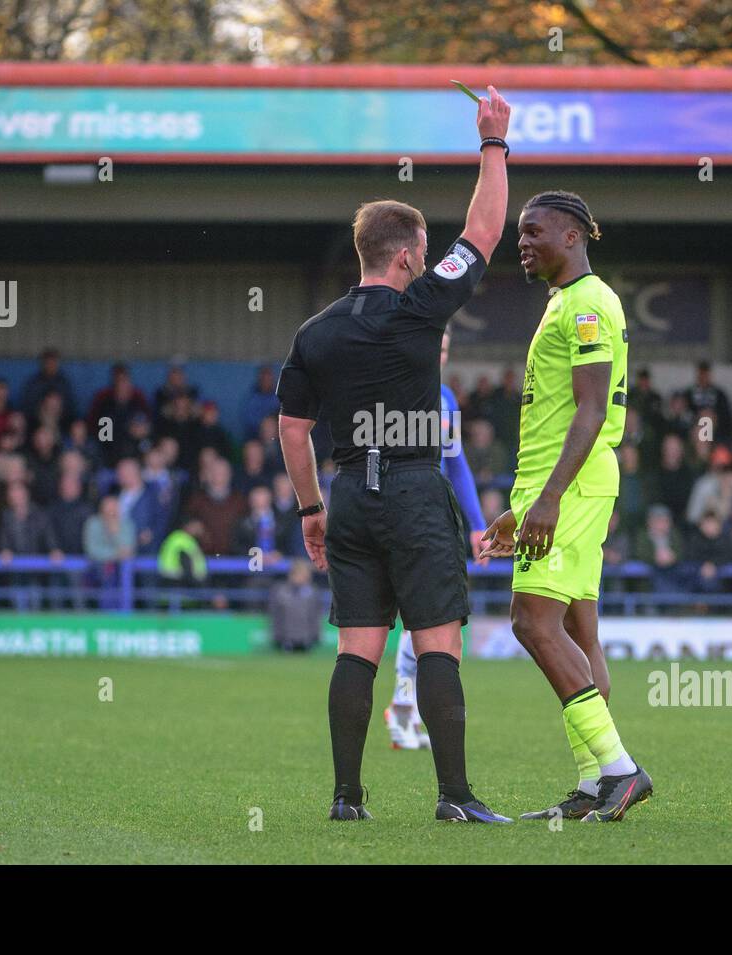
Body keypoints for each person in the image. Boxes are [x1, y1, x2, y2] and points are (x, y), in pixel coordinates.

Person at [276, 85, 511, 824]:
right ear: (409, 256)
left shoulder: (314, 332)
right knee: (438, 641)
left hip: (349, 494)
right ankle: (455, 797)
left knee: (358, 650)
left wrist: (311, 509)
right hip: (413, 488)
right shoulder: (420, 307)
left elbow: (291, 429)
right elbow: (484, 229)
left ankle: (348, 800)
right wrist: (493, 140)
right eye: (422, 251)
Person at [479, 190, 650, 823]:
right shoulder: (567, 302)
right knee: (577, 627)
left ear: (572, 236)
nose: (521, 242)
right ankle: (593, 782)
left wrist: (547, 499)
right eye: (520, 233)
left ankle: (620, 768)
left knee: (532, 622)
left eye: (533, 231)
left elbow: (591, 408)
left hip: (569, 486)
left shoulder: (586, 305)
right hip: (560, 485)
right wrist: (521, 507)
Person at [385, 326, 488, 752]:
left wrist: (478, 523)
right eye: (435, 347)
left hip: (436, 522)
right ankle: (401, 709)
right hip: (402, 517)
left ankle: (402, 708)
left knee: (424, 621)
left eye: (445, 349)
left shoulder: (444, 400)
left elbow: (457, 464)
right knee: (418, 621)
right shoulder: (394, 393)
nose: (440, 355)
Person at [268, 559, 324, 652]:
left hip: (307, 640)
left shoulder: (312, 592)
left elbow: (315, 617)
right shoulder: (280, 591)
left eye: (307, 575)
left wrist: (316, 636)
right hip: (285, 640)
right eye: (302, 574)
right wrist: (277, 637)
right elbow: (275, 617)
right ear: (292, 575)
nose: (306, 577)